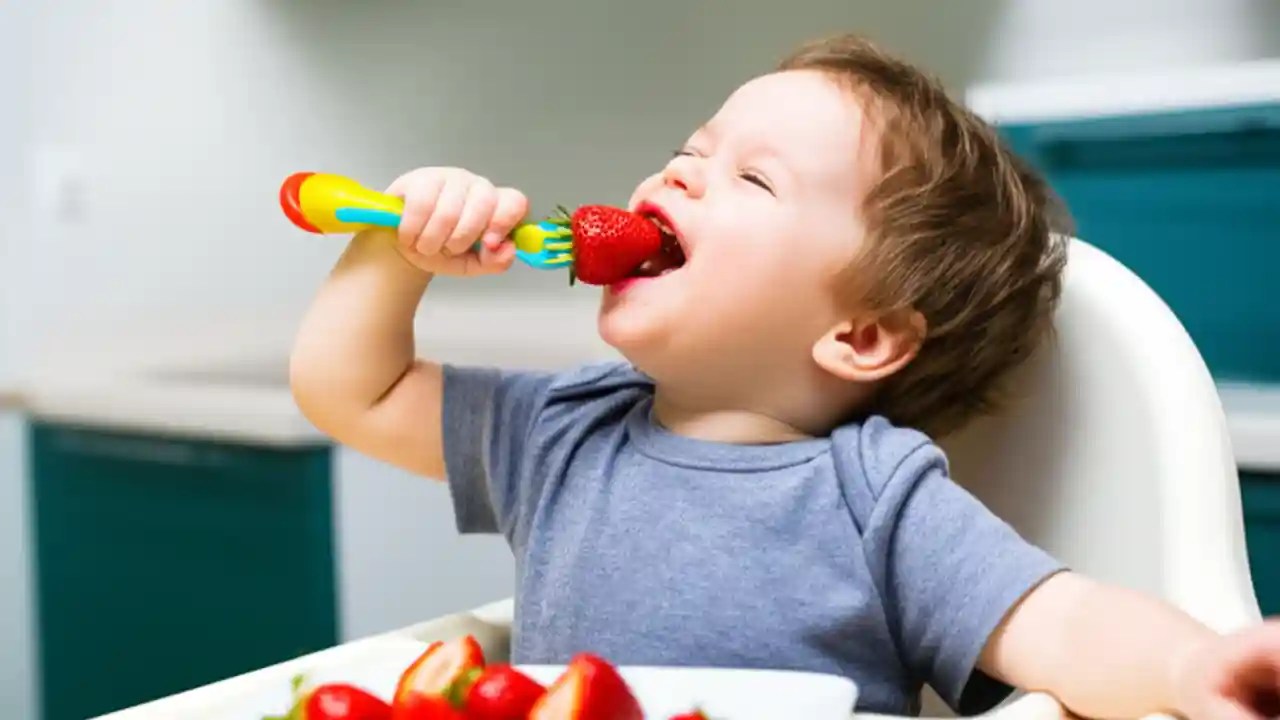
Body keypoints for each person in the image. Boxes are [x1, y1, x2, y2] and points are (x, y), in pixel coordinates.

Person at [289, 33, 1280, 719]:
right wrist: (394, 250)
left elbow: (1059, 621)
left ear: (857, 337)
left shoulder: (872, 496)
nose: (677, 174)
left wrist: (1191, 664)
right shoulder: (563, 430)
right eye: (689, 151)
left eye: (750, 179)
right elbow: (351, 393)